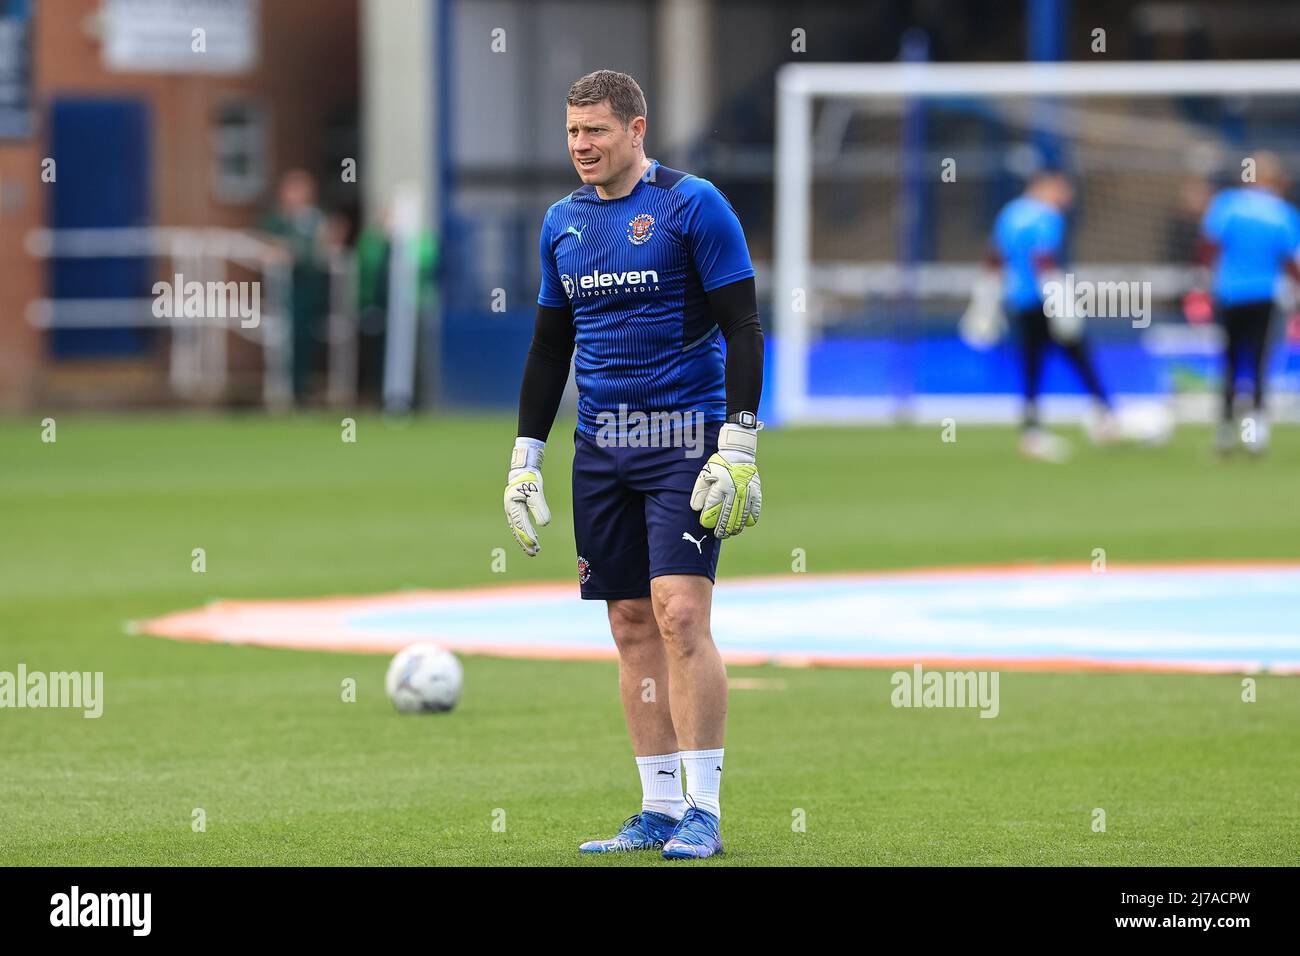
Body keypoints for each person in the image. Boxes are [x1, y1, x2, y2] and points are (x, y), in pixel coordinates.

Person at [502, 70, 764, 860]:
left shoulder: (692, 205)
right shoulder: (561, 223)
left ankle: (705, 811)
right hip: (600, 447)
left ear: (636, 129)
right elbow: (552, 347)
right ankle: (654, 807)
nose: (581, 145)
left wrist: (740, 442)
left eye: (596, 131)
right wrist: (525, 458)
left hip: (686, 439)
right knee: (628, 623)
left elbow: (744, 326)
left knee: (682, 615)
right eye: (573, 132)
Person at [987, 171, 1116, 462]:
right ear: (1047, 187)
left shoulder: (1010, 213)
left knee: (1031, 363)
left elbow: (996, 257)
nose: (1067, 200)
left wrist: (987, 300)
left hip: (1019, 301)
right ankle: (1105, 418)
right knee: (1080, 355)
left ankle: (1031, 432)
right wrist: (1060, 302)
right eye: (1063, 192)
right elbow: (1043, 260)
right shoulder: (1046, 217)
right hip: (1046, 301)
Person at [1194, 152, 1300, 455]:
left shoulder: (1227, 204)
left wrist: (1202, 284)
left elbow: (1208, 247)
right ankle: (1254, 434)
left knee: (1229, 362)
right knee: (1257, 364)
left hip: (1228, 293)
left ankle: (1226, 432)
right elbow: (1293, 262)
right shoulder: (1283, 213)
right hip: (1265, 296)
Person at [260, 169, 330, 402]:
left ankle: (301, 386)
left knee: (304, 336)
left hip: (310, 287)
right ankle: (285, 388)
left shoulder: (314, 218)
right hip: (285, 288)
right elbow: (268, 244)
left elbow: (322, 246)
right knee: (284, 337)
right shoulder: (277, 219)